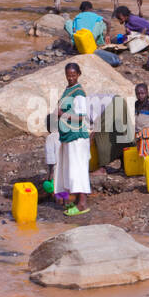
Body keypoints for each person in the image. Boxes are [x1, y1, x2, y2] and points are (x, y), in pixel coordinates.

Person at [54, 62, 90, 215]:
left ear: (79, 74)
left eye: (73, 76)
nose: (70, 78)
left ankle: (82, 203)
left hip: (77, 137)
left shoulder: (79, 93)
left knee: (78, 169)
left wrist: (62, 115)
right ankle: (75, 199)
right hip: (68, 136)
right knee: (70, 168)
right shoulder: (69, 89)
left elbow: (81, 117)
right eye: (68, 76)